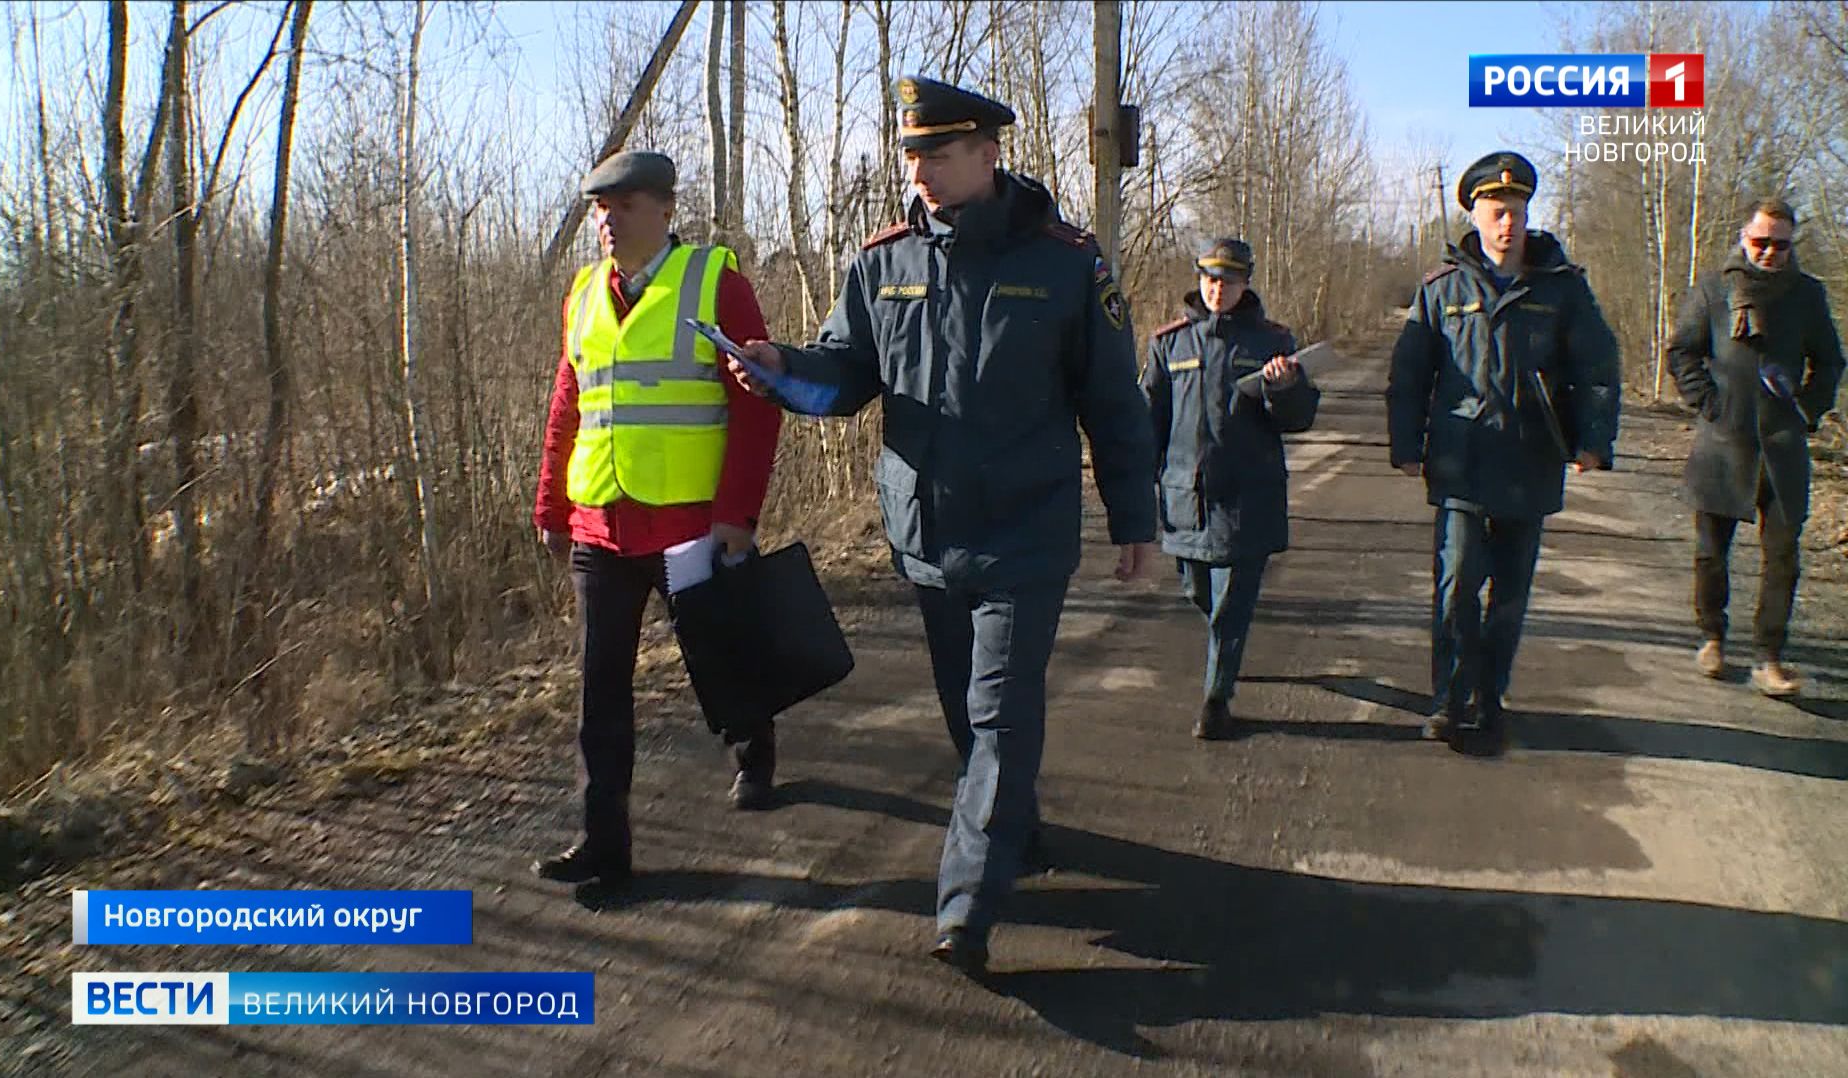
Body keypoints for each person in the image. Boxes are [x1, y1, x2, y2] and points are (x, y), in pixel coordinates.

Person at [733, 76, 1156, 975]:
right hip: (926, 535)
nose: (918, 171)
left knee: (999, 714)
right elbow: (844, 375)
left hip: (1025, 534)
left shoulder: (1065, 263)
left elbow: (1114, 404)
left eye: (938, 153)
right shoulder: (883, 263)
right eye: (912, 155)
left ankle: (965, 908)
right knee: (970, 718)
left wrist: (1136, 520)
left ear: (989, 154)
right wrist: (777, 371)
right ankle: (1013, 829)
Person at [530, 150, 783, 889]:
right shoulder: (584, 293)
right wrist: (552, 505)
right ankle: (603, 844)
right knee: (600, 689)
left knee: (722, 659)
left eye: (625, 206)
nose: (608, 221)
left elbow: (756, 407)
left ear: (666, 209)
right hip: (600, 524)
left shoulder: (715, 283)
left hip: (689, 525)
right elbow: (569, 404)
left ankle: (754, 747)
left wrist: (737, 514)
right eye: (600, 209)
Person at [1386, 151, 1621, 752]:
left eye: (1516, 210)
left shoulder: (1562, 288)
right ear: (1474, 214)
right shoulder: (1442, 288)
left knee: (1510, 596)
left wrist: (1594, 439)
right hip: (1461, 459)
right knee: (1457, 584)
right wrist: (1406, 444)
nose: (1507, 222)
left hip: (1530, 458)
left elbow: (1597, 367)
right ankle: (1448, 699)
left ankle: (1490, 698)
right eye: (1496, 210)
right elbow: (1409, 374)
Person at [1143, 238, 1320, 740]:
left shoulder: (1272, 341)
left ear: (1246, 284)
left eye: (1229, 281)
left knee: (1231, 603)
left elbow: (1299, 418)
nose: (1218, 289)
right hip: (1186, 497)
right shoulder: (1170, 343)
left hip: (1248, 496)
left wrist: (1285, 389)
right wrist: (1138, 479)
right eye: (1210, 279)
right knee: (1198, 591)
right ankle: (1228, 650)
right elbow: (1148, 419)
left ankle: (1216, 699)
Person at [1666, 197, 1843, 697]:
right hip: (1723, 441)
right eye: (1761, 242)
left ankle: (1769, 657)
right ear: (1744, 237)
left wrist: (1807, 410)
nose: (1769, 252)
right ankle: (1712, 637)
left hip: (1783, 446)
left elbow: (1830, 361)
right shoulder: (1714, 289)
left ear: (1791, 245)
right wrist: (1709, 403)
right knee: (1710, 553)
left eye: (1780, 245)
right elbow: (1682, 352)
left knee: (1783, 558)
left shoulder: (1807, 294)